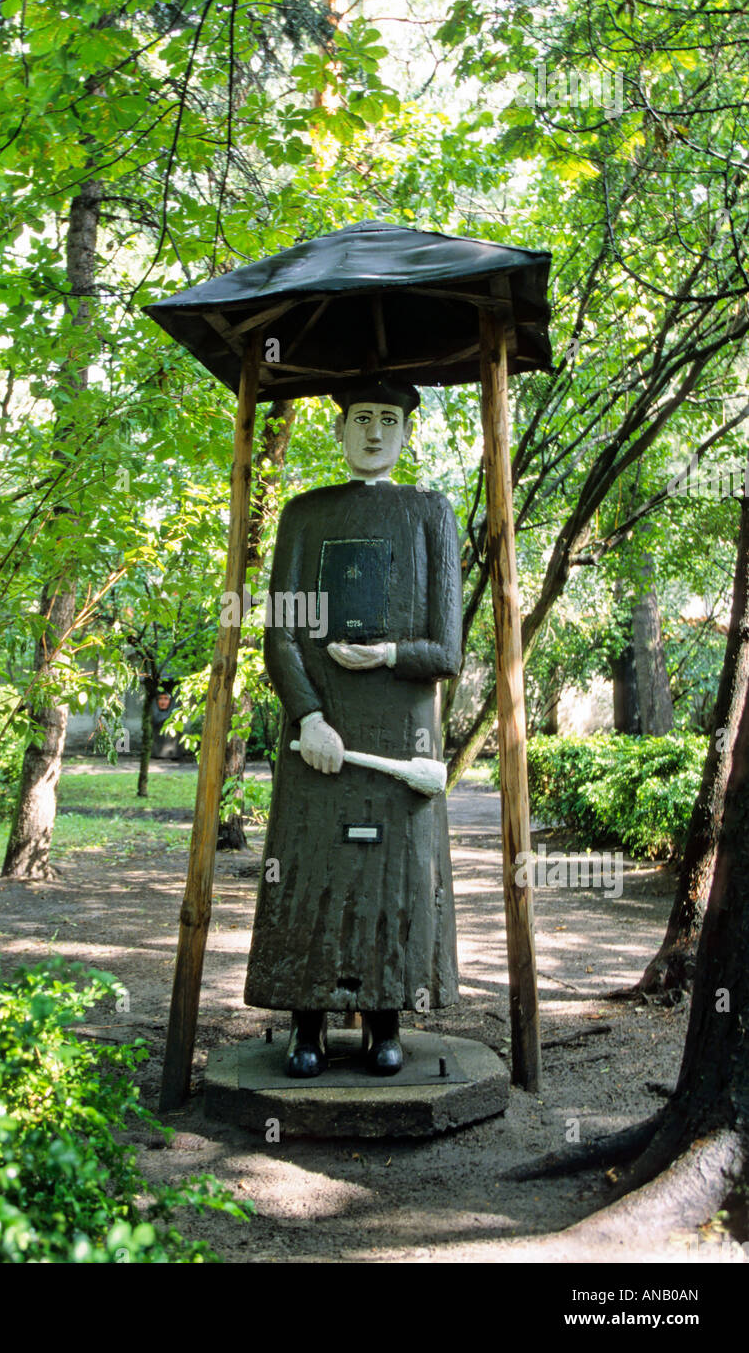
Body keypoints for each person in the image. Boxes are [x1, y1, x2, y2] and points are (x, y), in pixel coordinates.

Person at [243, 377, 463, 1077]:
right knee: (313, 869)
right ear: (339, 432)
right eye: (360, 419)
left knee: (389, 873)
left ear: (406, 433)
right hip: (320, 736)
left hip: (402, 741)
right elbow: (280, 633)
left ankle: (386, 1019)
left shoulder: (431, 514)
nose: (374, 432)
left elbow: (448, 650)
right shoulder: (305, 515)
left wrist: (391, 654)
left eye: (388, 420)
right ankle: (304, 1022)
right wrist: (307, 715)